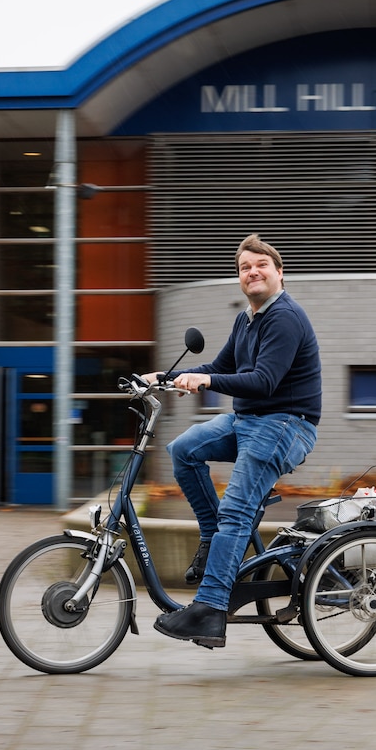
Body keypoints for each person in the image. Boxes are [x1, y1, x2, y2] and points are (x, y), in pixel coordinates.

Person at [150, 233, 321, 648]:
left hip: (285, 424)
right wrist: (167, 378)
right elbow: (220, 365)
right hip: (250, 421)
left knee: (237, 510)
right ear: (240, 278)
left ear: (279, 272)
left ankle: (209, 611)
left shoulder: (285, 317)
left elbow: (262, 381)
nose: (252, 272)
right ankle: (213, 540)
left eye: (261, 265)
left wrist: (205, 380)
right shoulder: (246, 319)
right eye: (245, 267)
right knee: (183, 449)